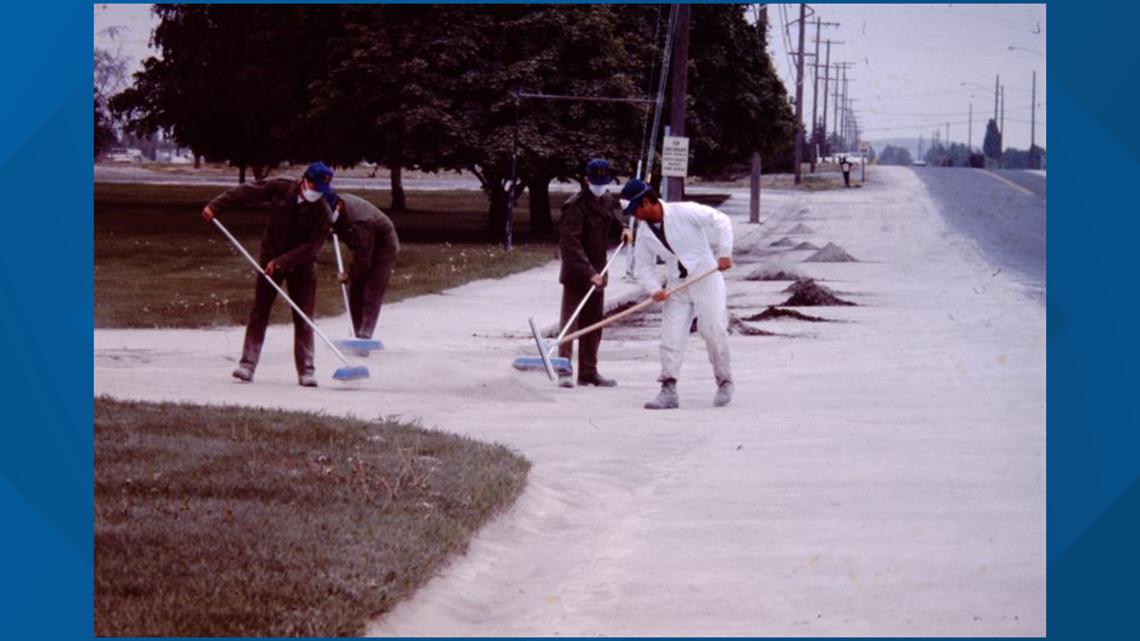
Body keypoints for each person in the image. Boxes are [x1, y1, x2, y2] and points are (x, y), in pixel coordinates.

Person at [201, 162, 334, 387]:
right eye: (315, 187)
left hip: (302, 266)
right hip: (270, 255)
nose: (317, 193)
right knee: (260, 311)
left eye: (322, 190)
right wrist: (216, 206)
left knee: (303, 317)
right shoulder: (282, 187)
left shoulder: (322, 211)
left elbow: (312, 247)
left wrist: (281, 262)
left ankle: (306, 370)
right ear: (305, 180)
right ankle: (247, 365)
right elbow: (246, 192)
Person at [619, 178, 735, 409]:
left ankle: (724, 381)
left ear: (646, 202)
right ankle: (668, 389)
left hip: (706, 278)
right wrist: (654, 289)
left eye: (636, 210)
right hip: (677, 286)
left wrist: (724, 253)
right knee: (671, 336)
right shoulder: (644, 233)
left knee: (712, 329)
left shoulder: (685, 211)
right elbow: (643, 266)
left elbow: (721, 220)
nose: (635, 216)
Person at [556, 158, 633, 389]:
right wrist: (589, 272)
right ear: (586, 180)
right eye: (596, 181)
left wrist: (625, 229)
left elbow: (616, 220)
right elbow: (570, 245)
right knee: (571, 321)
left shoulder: (607, 200)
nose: (600, 186)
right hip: (577, 272)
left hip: (600, 270)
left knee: (593, 323)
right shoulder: (574, 206)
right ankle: (564, 369)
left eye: (604, 181)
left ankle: (588, 372)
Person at [327, 192, 400, 347]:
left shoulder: (359, 221)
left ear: (338, 206)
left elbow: (363, 258)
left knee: (371, 291)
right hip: (365, 245)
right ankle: (356, 333)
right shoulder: (335, 207)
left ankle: (365, 336)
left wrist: (349, 275)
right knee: (355, 290)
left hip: (384, 248)